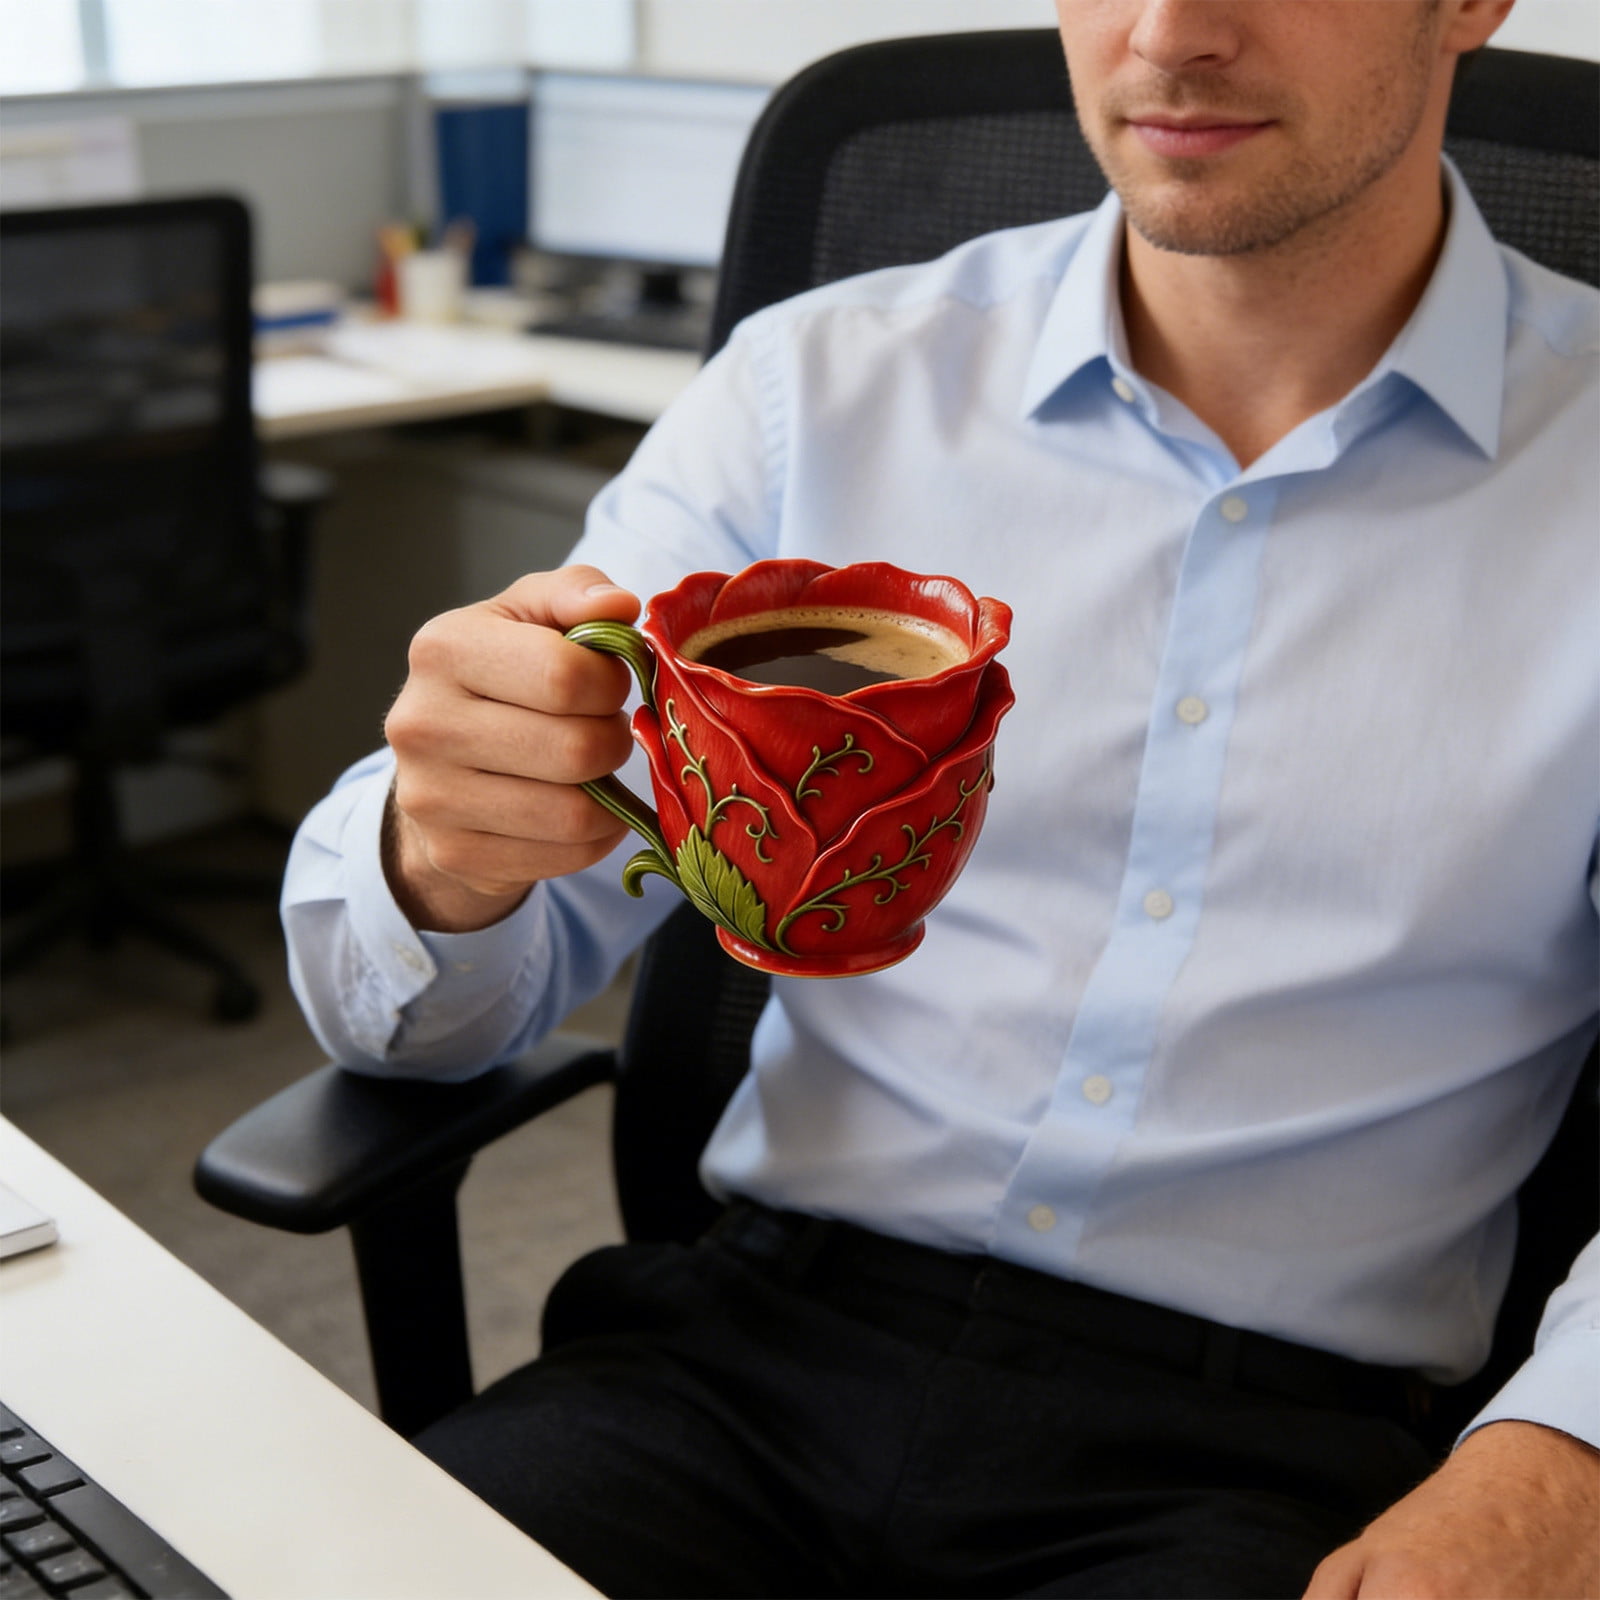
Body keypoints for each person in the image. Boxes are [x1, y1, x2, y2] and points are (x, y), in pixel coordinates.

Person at [283, 1, 1598, 1594]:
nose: (1172, 32)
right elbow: (409, 1018)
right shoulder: (816, 389)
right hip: (739, 1365)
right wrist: (439, 859)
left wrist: (1565, 1456)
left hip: (1255, 1457)